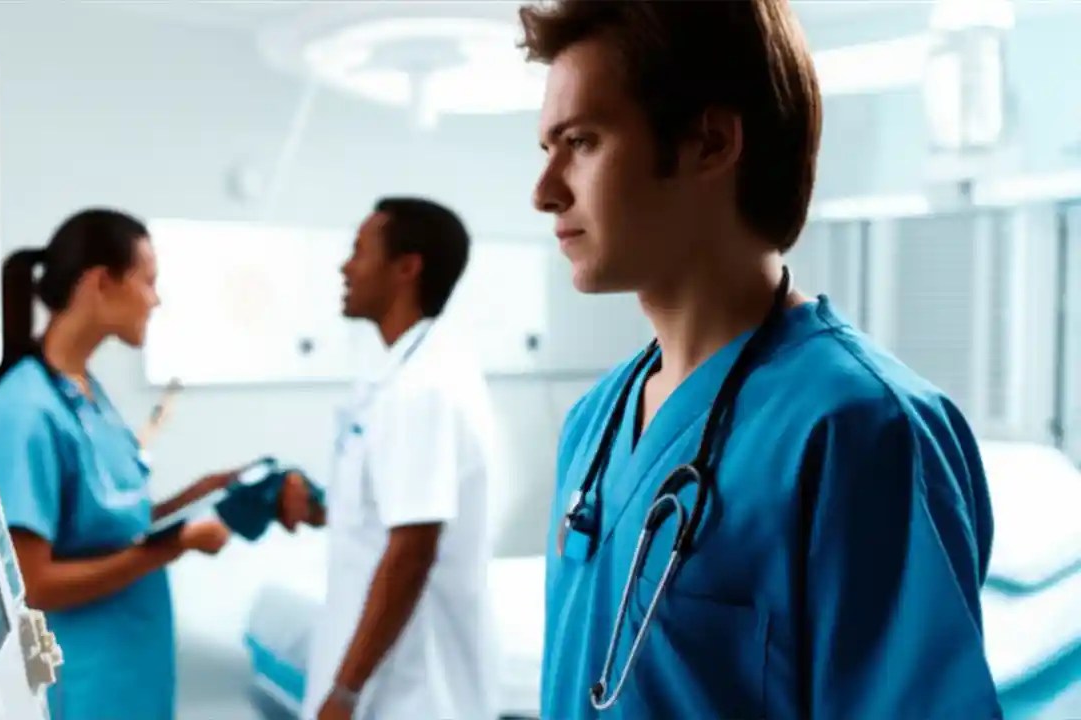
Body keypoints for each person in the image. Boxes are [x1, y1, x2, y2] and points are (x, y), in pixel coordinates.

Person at [519, 2, 1001, 718]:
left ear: (710, 143)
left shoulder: (860, 430)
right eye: (547, 149)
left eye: (582, 142)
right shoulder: (592, 426)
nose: (545, 191)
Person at [0, 209, 304, 720]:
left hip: (134, 671)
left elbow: (111, 525)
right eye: (148, 281)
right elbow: (35, 583)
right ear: (101, 282)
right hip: (85, 680)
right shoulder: (24, 408)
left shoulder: (85, 393)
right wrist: (175, 546)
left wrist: (201, 492)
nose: (156, 299)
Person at [300, 198, 499, 720]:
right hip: (395, 681)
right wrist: (324, 507)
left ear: (407, 268)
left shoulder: (423, 387)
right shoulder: (404, 375)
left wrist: (344, 692)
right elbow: (388, 511)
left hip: (413, 693)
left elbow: (412, 549)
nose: (346, 266)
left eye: (359, 252)